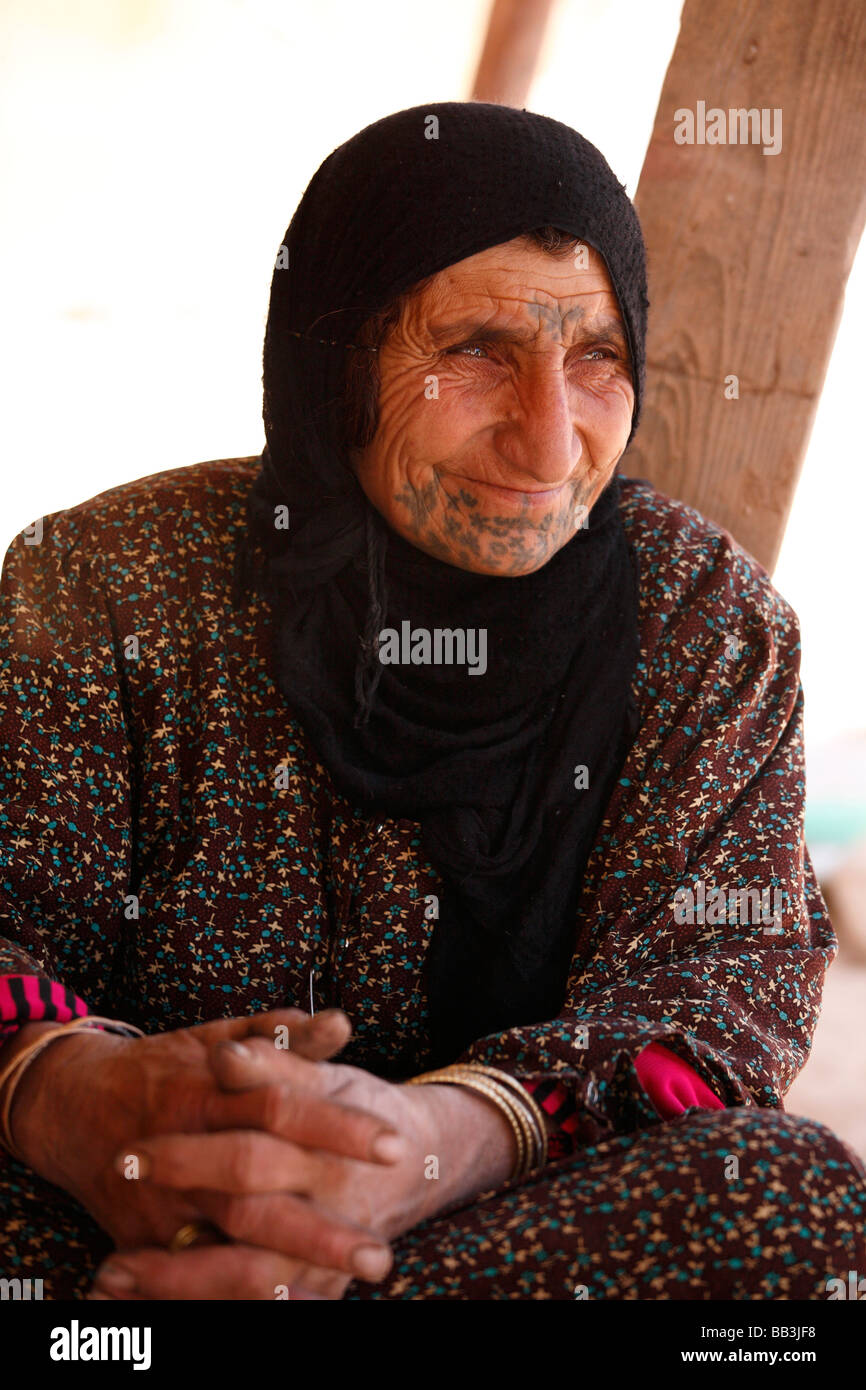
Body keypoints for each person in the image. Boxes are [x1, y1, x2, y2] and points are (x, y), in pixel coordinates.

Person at [1, 101, 863, 1302]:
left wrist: (423, 1148)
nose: (550, 444)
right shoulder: (106, 583)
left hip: (479, 1243)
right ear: (333, 356)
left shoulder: (700, 618)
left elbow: (718, 986)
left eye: (595, 358)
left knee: (786, 1200)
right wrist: (73, 1103)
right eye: (472, 352)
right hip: (121, 1230)